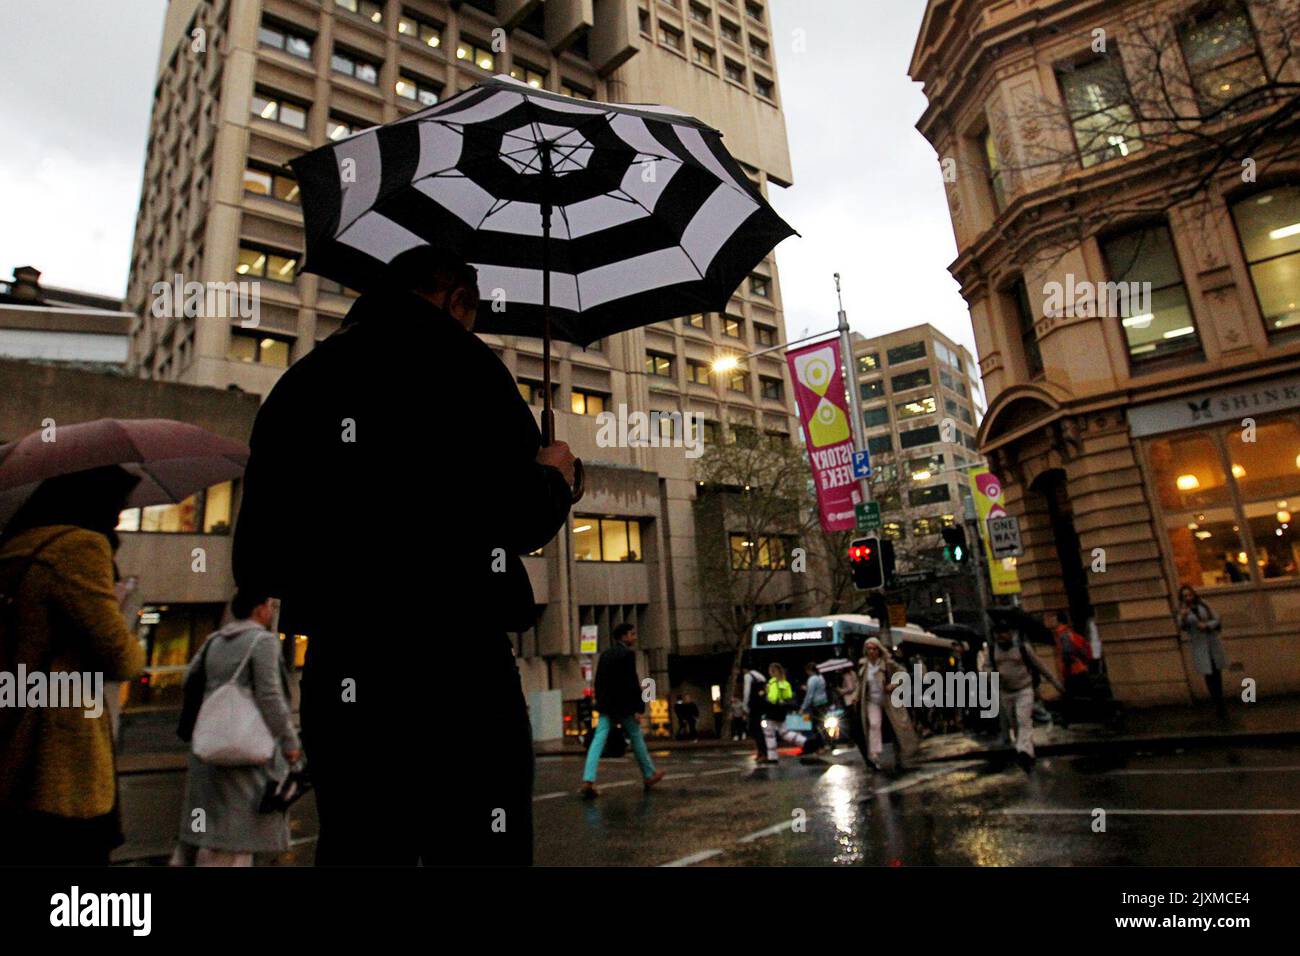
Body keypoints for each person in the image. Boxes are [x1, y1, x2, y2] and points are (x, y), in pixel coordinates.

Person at [233, 246, 575, 865]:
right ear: (458, 299)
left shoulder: (300, 384)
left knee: (362, 848)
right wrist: (555, 475)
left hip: (347, 667)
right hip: (459, 668)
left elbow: (258, 558)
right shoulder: (466, 368)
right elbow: (518, 518)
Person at [0, 466, 145, 865]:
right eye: (116, 509)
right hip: (61, 750)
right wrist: (119, 616)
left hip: (14, 735)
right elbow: (122, 657)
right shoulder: (79, 548)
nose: (116, 521)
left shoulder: (17, 546)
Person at [170, 591, 301, 867]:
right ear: (259, 610)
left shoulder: (213, 641)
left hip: (209, 747)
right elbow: (270, 697)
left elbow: (188, 679)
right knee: (239, 835)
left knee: (212, 830)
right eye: (268, 606)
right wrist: (289, 742)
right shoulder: (262, 642)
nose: (270, 611)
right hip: (246, 751)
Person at [579, 623, 664, 798]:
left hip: (607, 705)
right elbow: (630, 683)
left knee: (598, 739)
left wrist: (600, 702)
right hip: (623, 706)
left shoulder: (605, 654)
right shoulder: (627, 655)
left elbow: (599, 681)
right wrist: (638, 708)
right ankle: (649, 774)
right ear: (623, 637)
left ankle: (588, 780)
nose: (635, 637)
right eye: (632, 634)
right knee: (636, 737)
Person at [989, 622, 1064, 772]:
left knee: (1023, 720)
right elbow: (987, 669)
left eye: (1003, 632)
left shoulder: (1023, 649)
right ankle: (1025, 749)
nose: (1000, 636)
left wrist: (1055, 683)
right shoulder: (992, 652)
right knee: (1015, 723)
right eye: (997, 633)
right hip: (1006, 692)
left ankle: (1024, 753)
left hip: (1024, 689)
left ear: (1010, 633)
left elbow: (1039, 666)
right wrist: (992, 677)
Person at [860, 637, 918, 772]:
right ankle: (874, 754)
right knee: (874, 724)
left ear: (878, 650)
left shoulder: (887, 663)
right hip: (871, 700)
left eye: (874, 649)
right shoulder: (863, 665)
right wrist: (856, 697)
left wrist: (893, 684)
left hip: (889, 700)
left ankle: (902, 756)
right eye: (869, 649)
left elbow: (903, 673)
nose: (871, 652)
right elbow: (861, 684)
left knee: (897, 729)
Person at [1177, 585, 1227, 718]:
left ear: (1193, 594)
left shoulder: (1203, 604)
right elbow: (1182, 627)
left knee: (1217, 672)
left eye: (1189, 594)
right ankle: (1216, 702)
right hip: (1199, 645)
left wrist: (1207, 625)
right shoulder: (1183, 610)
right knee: (1208, 674)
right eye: (1185, 596)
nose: (1188, 597)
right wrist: (1183, 617)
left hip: (1212, 642)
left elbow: (1216, 618)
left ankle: (1220, 701)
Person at [761, 662, 807, 759]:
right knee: (785, 733)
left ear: (772, 672)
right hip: (782, 712)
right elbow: (789, 696)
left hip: (772, 712)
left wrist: (766, 695)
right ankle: (804, 742)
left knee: (769, 735)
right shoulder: (785, 683)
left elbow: (772, 698)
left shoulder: (772, 682)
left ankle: (772, 757)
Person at [741, 662, 769, 761]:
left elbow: (746, 691)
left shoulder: (748, 676)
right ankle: (763, 752)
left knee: (755, 729)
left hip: (754, 705)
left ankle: (762, 752)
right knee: (759, 729)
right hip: (761, 705)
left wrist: (744, 707)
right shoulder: (760, 677)